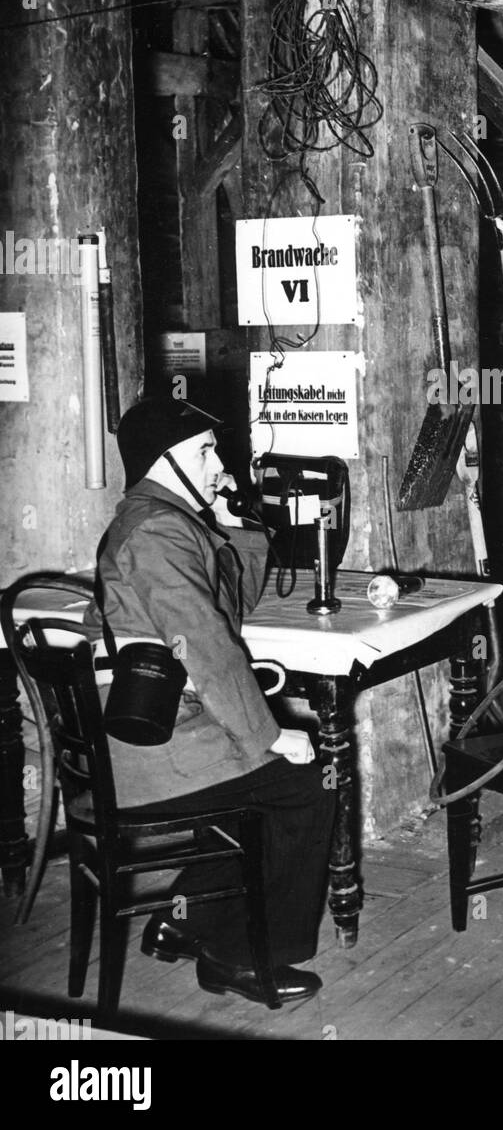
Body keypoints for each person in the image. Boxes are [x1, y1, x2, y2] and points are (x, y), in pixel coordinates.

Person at [84, 398, 336, 1006]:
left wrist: (234, 521)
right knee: (305, 783)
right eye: (205, 451)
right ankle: (240, 958)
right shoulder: (158, 529)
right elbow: (203, 642)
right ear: (163, 461)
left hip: (162, 727)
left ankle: (186, 920)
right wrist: (270, 735)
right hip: (150, 746)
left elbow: (230, 610)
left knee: (254, 790)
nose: (219, 463)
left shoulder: (167, 518)